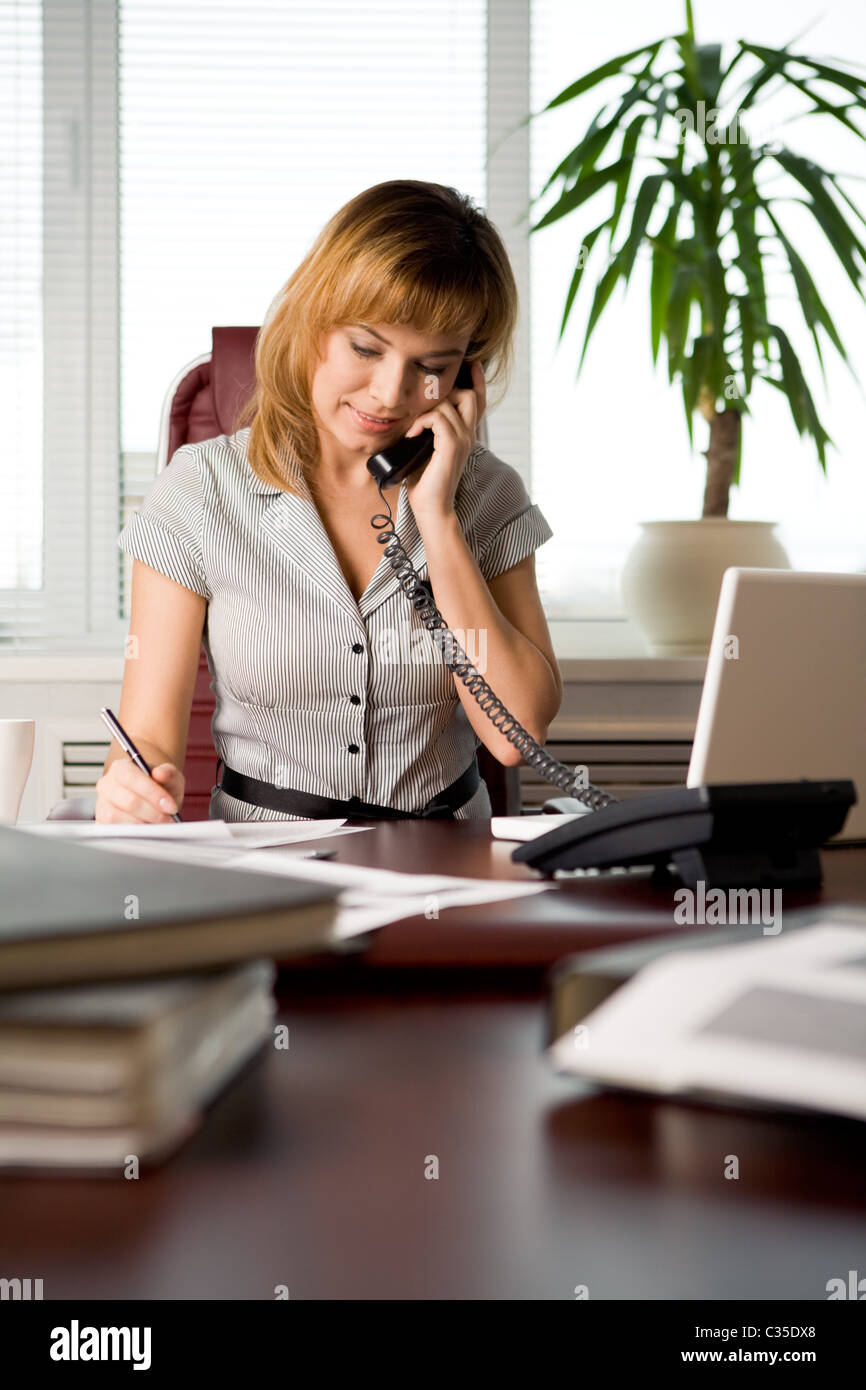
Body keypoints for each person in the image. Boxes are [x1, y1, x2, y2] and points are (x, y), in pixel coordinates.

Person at [97, 180, 561, 824]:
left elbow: (517, 737)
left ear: (465, 376)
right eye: (365, 348)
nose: (389, 393)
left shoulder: (488, 494)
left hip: (446, 859)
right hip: (264, 860)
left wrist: (438, 519)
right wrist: (132, 788)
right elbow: (146, 738)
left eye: (432, 365)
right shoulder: (201, 489)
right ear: (311, 323)